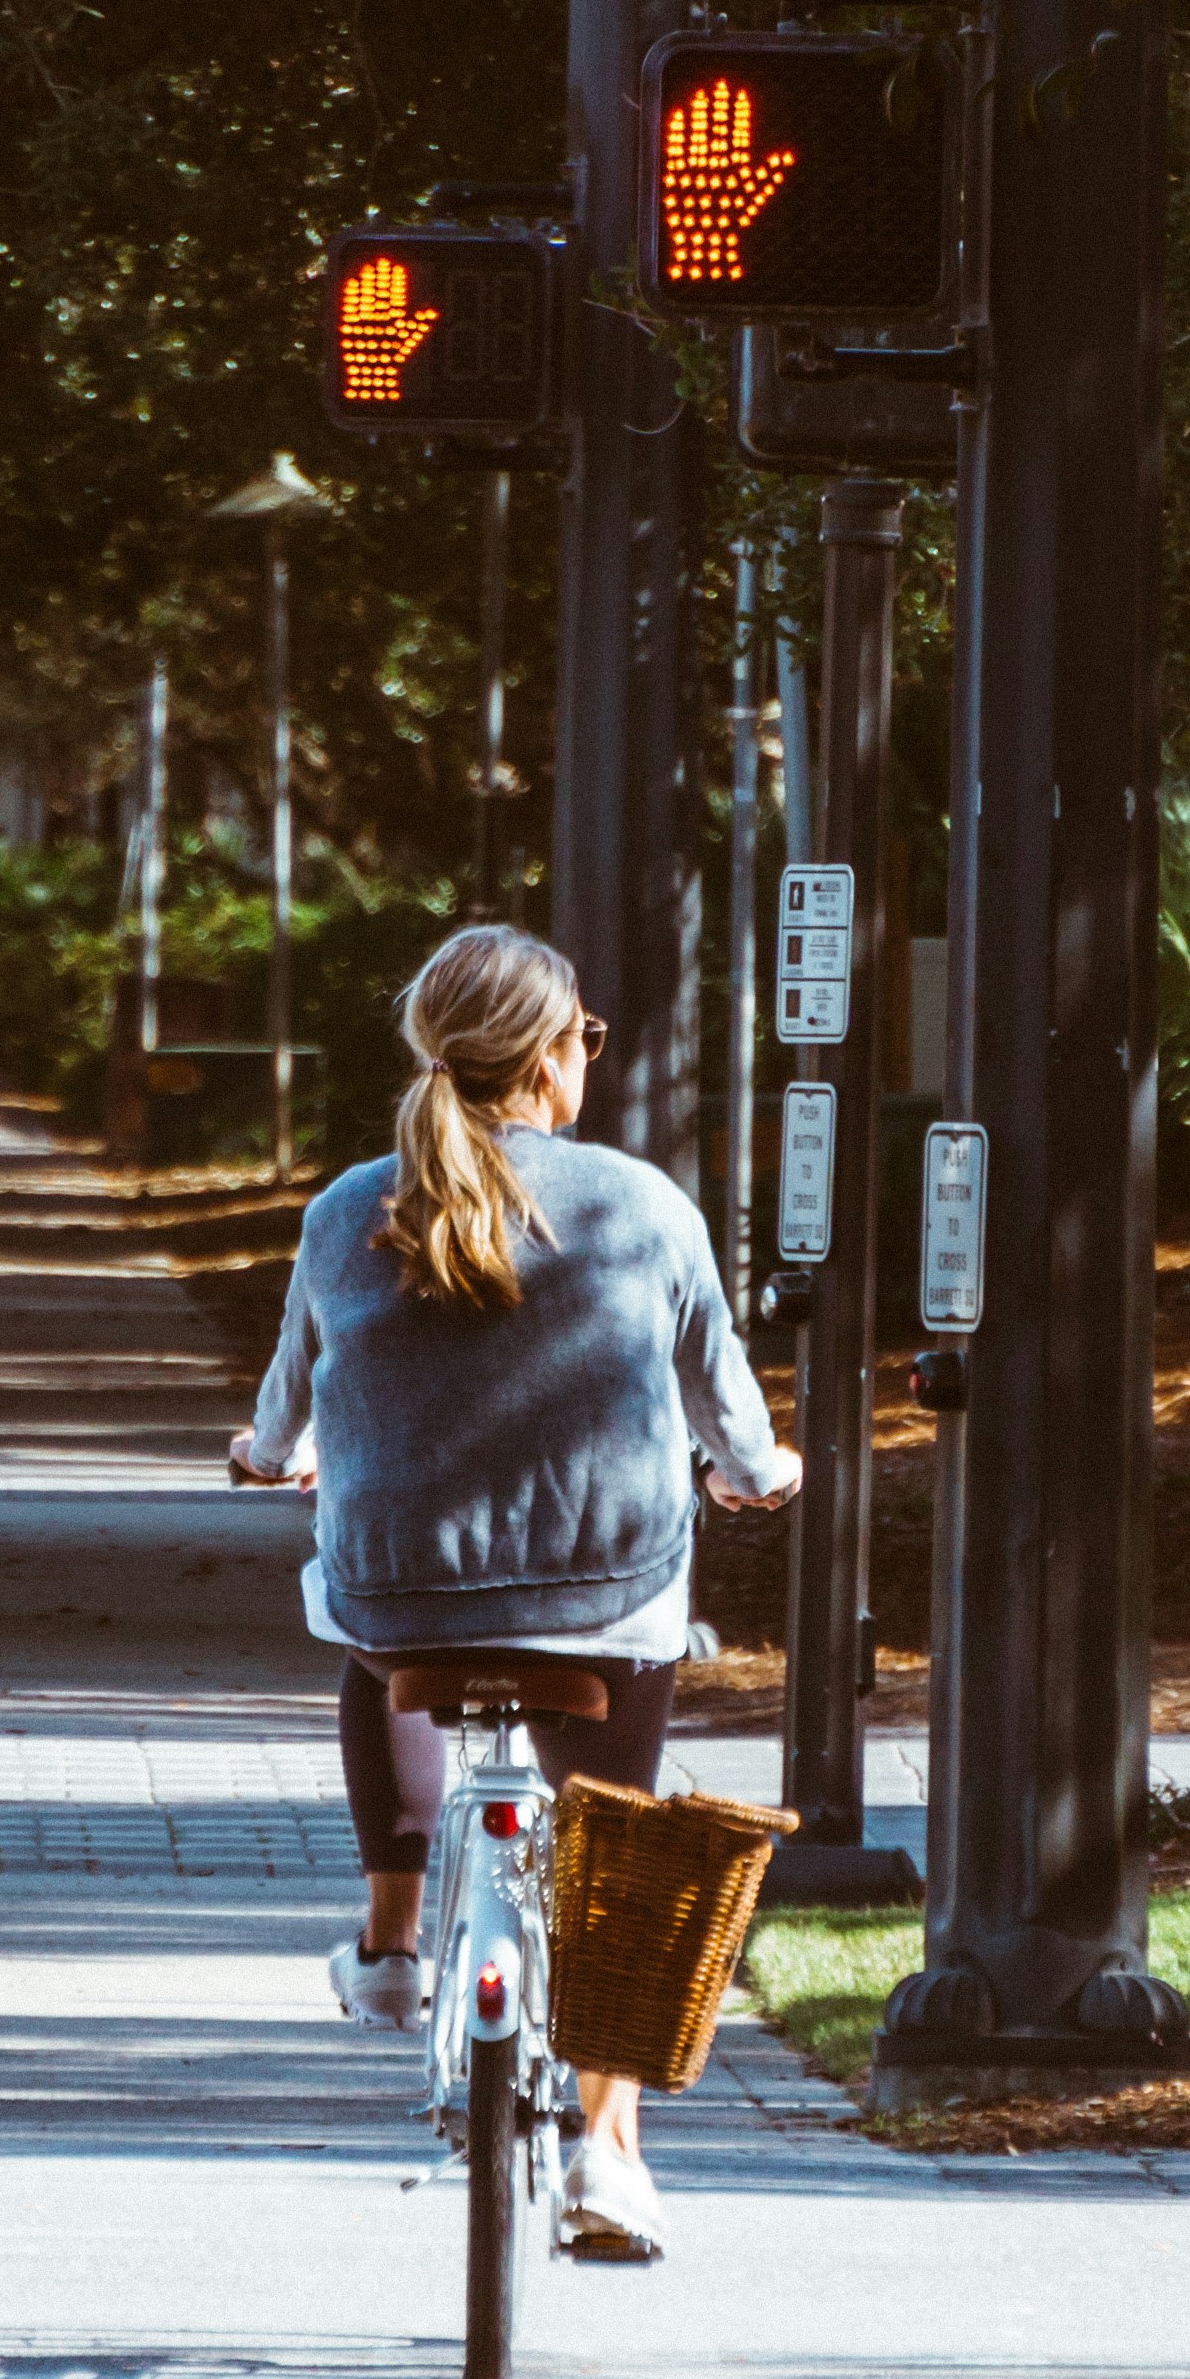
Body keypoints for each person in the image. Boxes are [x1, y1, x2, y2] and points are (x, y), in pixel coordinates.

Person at [229, 920, 799, 2264]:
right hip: (609, 1600)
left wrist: (265, 1460)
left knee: (371, 1635)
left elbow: (284, 1406)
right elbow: (729, 1412)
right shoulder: (646, 1205)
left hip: (400, 1601)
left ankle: (386, 1944)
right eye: (584, 1036)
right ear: (555, 1055)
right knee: (614, 1830)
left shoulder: (345, 1209)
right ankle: (612, 2154)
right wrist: (762, 1478)